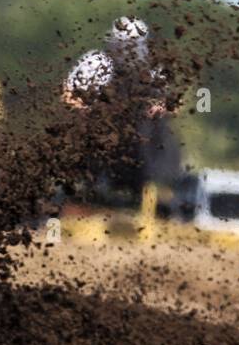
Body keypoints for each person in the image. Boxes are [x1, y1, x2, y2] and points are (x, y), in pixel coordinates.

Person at [62, 16, 180, 204]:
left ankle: (148, 181)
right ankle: (91, 179)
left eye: (131, 45)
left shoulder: (155, 68)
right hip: (102, 123)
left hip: (141, 132)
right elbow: (69, 93)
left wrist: (160, 107)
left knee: (155, 129)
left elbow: (173, 104)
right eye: (121, 45)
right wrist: (84, 105)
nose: (125, 50)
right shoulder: (97, 62)